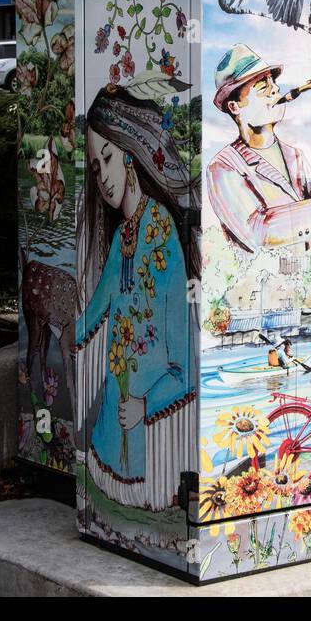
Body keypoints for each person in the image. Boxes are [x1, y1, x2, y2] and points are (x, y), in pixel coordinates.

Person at [75, 86, 199, 512]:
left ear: (130, 153)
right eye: (95, 166)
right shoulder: (123, 236)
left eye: (107, 157)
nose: (102, 176)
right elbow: (93, 315)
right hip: (115, 429)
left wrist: (146, 402)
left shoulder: (160, 230)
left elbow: (185, 366)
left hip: (152, 432)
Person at [206, 43, 311, 253]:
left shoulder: (294, 156)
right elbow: (258, 232)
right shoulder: (221, 167)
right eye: (262, 86)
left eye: (272, 81)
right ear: (234, 106)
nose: (275, 89)